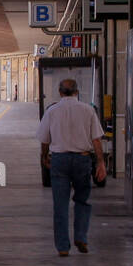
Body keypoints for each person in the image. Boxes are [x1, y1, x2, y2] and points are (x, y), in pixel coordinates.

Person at [37, 78, 106, 256]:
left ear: (60, 92)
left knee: (60, 205)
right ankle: (81, 237)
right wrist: (100, 162)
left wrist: (44, 157)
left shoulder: (52, 111)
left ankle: (62, 247)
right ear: (77, 92)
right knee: (82, 201)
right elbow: (96, 140)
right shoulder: (88, 110)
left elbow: (45, 140)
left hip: (59, 160)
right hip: (83, 160)